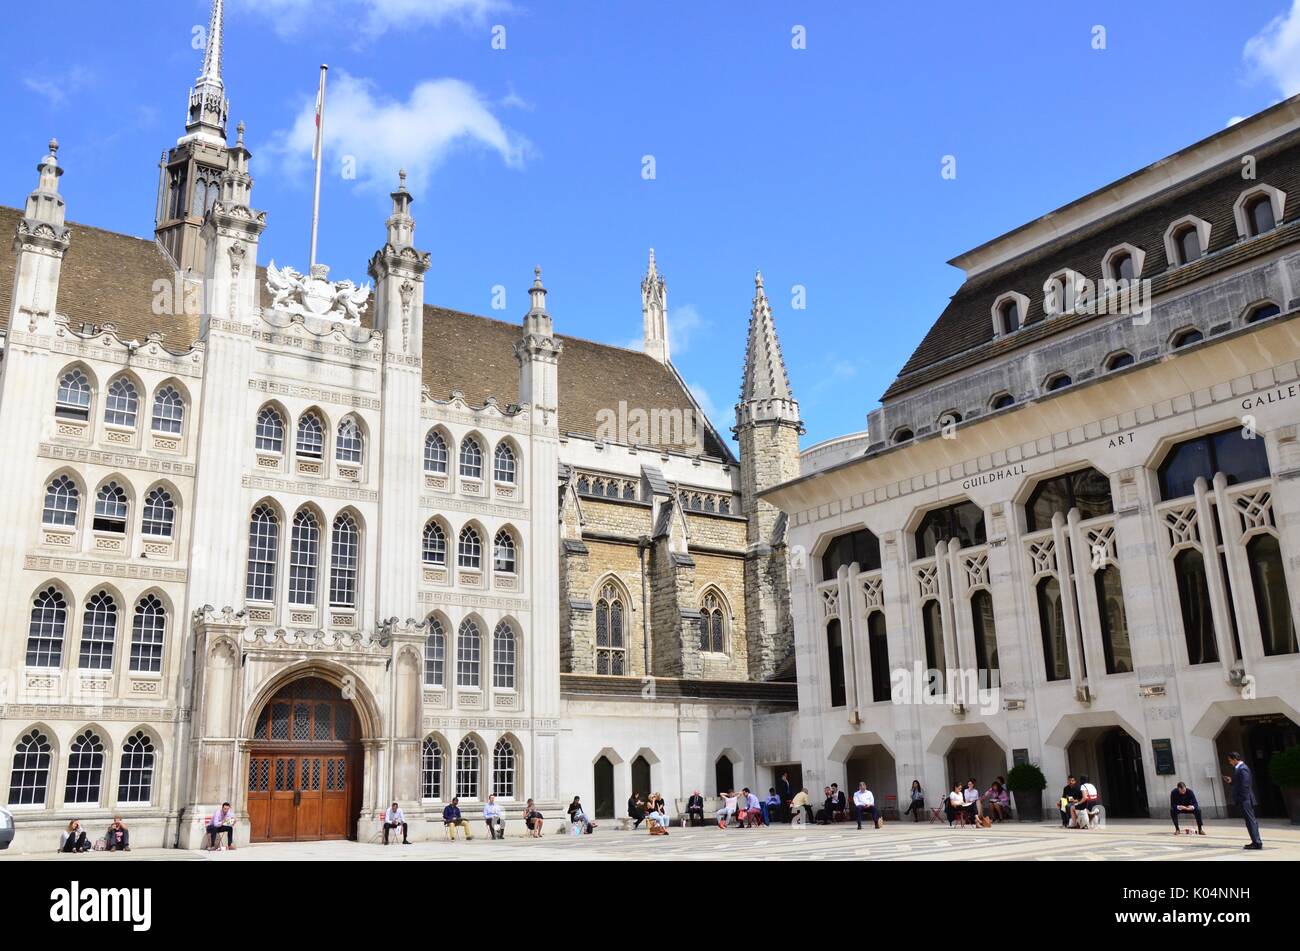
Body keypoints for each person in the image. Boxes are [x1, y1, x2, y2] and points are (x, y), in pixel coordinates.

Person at [1223, 752, 1263, 850]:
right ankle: (1255, 841)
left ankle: (1257, 842)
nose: (1230, 763)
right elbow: (1239, 783)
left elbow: (1245, 785)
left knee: (1250, 821)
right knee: (1249, 821)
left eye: (1230, 760)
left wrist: (1241, 798)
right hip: (1244, 799)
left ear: (1235, 759)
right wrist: (1231, 781)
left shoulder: (1243, 768)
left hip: (1245, 799)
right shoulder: (1239, 769)